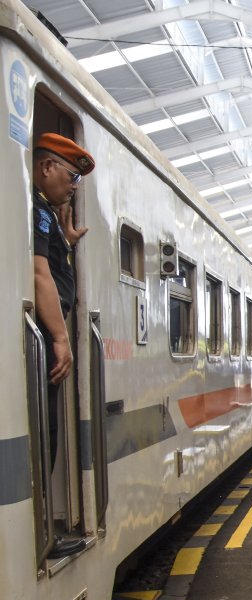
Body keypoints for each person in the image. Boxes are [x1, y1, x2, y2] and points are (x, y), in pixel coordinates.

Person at [33, 134, 95, 558]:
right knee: (46, 437)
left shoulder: (47, 216)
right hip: (43, 340)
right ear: (46, 167)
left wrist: (66, 240)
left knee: (50, 436)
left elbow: (50, 264)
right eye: (72, 176)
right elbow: (40, 274)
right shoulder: (37, 210)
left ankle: (43, 531)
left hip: (44, 338)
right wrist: (59, 337)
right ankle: (42, 535)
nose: (74, 186)